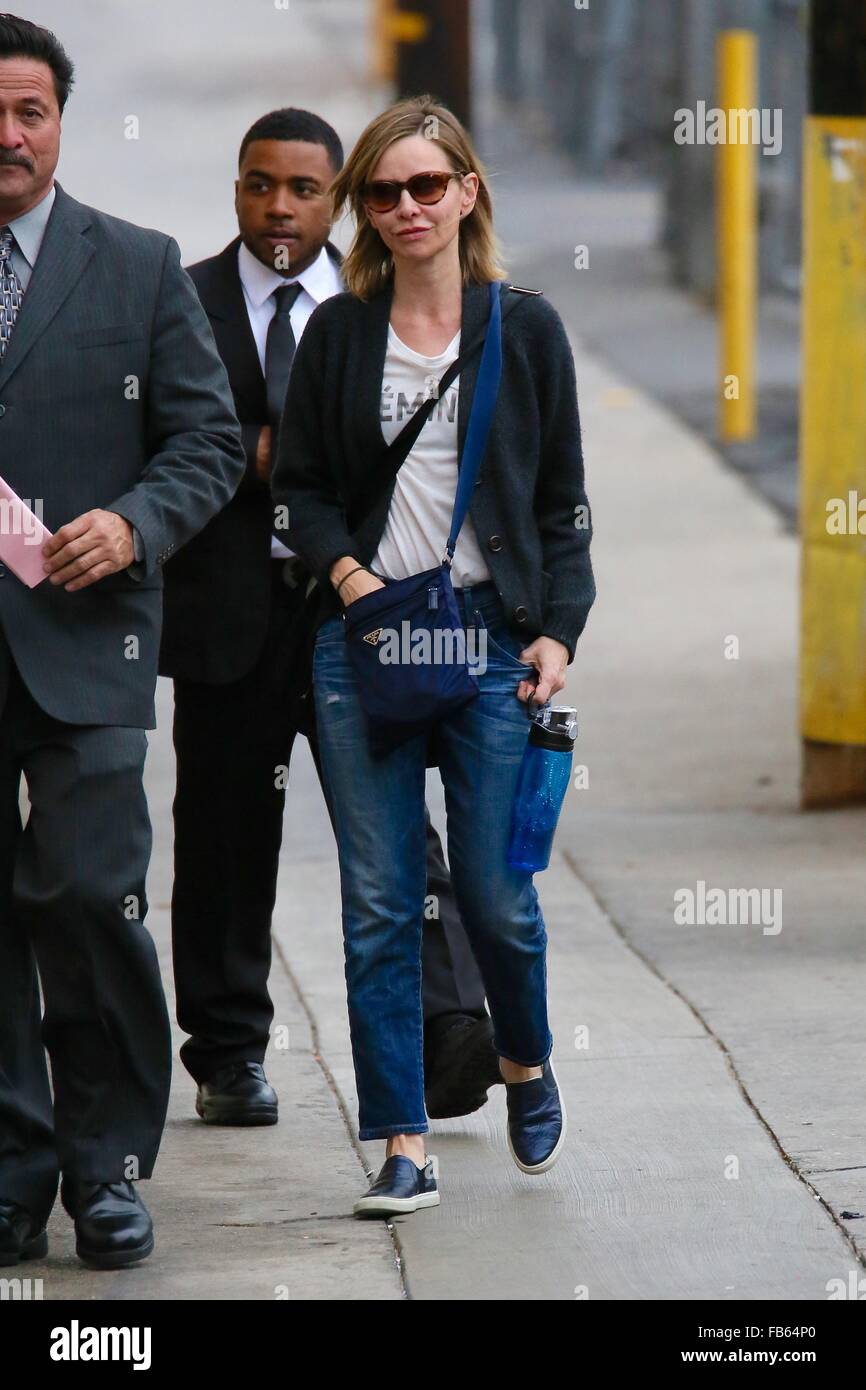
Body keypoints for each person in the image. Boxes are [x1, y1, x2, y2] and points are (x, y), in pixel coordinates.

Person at [272, 95, 595, 1217]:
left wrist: (556, 630)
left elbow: (561, 509)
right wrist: (348, 576)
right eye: (380, 191)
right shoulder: (340, 331)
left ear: (465, 191)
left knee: (501, 899)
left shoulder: (524, 327)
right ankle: (404, 1137)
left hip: (487, 639)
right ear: (361, 209)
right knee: (379, 901)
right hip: (362, 642)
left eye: (424, 184)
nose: (404, 207)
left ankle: (523, 1061)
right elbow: (301, 486)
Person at [161, 107, 504, 1128]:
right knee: (222, 833)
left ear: (335, 201)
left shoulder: (372, 305)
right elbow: (166, 434)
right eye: (259, 184)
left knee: (399, 831)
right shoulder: (181, 302)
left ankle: (450, 1030)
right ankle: (227, 1051)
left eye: (304, 189)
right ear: (235, 190)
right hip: (232, 611)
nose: (279, 206)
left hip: (357, 609)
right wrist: (250, 454)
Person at [0, 15, 245, 1269]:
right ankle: (9, 1164)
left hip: (88, 639)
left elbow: (205, 443)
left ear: (60, 121)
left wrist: (134, 525)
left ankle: (106, 1171)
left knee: (88, 894)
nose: (9, 135)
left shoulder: (139, 266)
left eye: (30, 111)